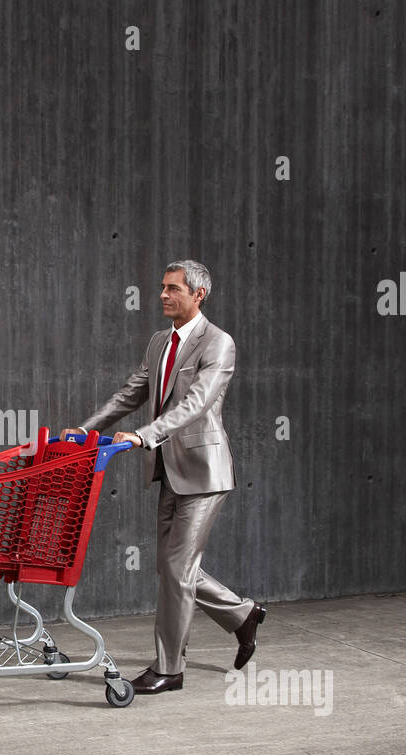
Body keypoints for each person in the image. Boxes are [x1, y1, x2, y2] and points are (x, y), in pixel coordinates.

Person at [62, 260, 266, 695]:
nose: (162, 295)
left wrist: (142, 435)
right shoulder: (159, 342)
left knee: (176, 568)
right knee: (172, 567)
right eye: (161, 287)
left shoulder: (219, 344)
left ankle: (169, 669)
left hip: (205, 473)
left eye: (173, 288)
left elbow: (195, 403)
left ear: (199, 295)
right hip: (168, 471)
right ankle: (242, 613)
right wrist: (87, 428)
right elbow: (132, 391)